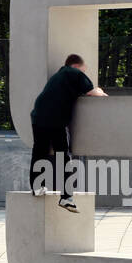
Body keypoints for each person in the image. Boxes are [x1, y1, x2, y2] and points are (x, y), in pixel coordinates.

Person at [29, 53, 107, 212]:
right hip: (55, 119)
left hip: (38, 116)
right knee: (62, 157)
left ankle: (37, 187)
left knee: (39, 151)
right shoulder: (73, 73)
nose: (83, 74)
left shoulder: (58, 76)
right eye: (83, 71)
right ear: (76, 66)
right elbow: (93, 92)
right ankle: (66, 197)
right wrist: (100, 90)